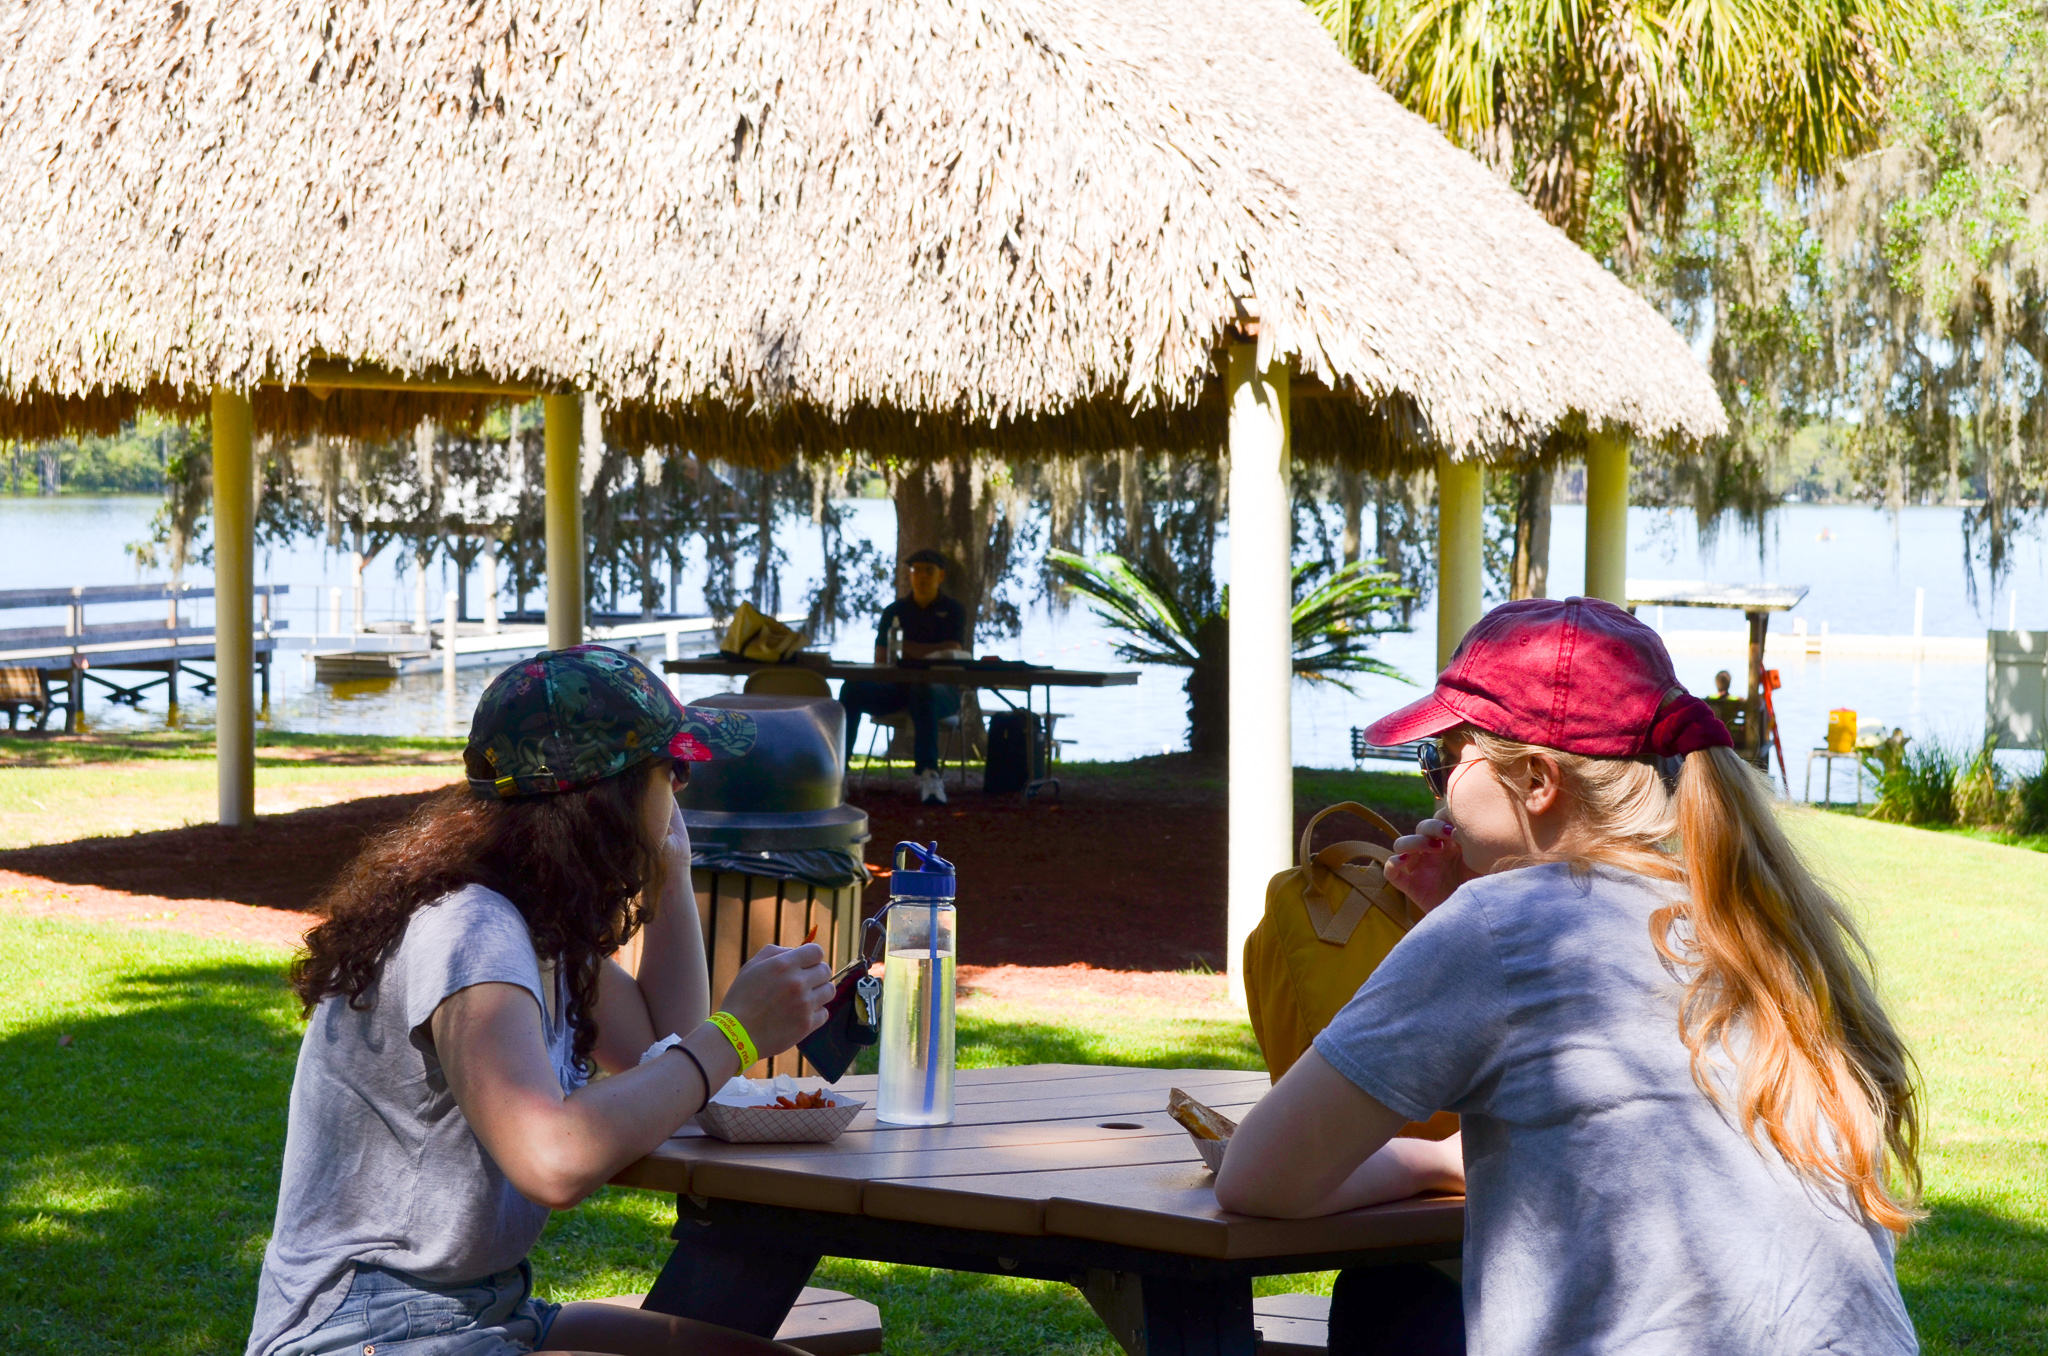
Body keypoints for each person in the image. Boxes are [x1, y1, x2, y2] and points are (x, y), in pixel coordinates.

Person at [1215, 597, 1921, 1356]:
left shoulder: (1496, 927)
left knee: (1388, 1296)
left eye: (1443, 761)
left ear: (1540, 782)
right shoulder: (1751, 924)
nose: (1437, 792)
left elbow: (1257, 1178)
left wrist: (1424, 1160)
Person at [247, 645, 835, 1356]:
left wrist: (671, 866)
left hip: (482, 1312)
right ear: (603, 801)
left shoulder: (534, 929)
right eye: (670, 771)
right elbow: (551, 1159)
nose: (683, 786)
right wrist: (737, 1034)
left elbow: (665, 1050)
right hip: (368, 1332)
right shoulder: (472, 929)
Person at [840, 548, 970, 805]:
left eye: (928, 571)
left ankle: (929, 774)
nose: (921, 576)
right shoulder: (894, 611)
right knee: (851, 688)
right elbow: (881, 655)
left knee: (923, 689)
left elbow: (953, 649)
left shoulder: (953, 610)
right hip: (896, 691)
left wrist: (902, 649)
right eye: (916, 571)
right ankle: (839, 771)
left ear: (940, 576)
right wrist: (929, 651)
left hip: (941, 694)